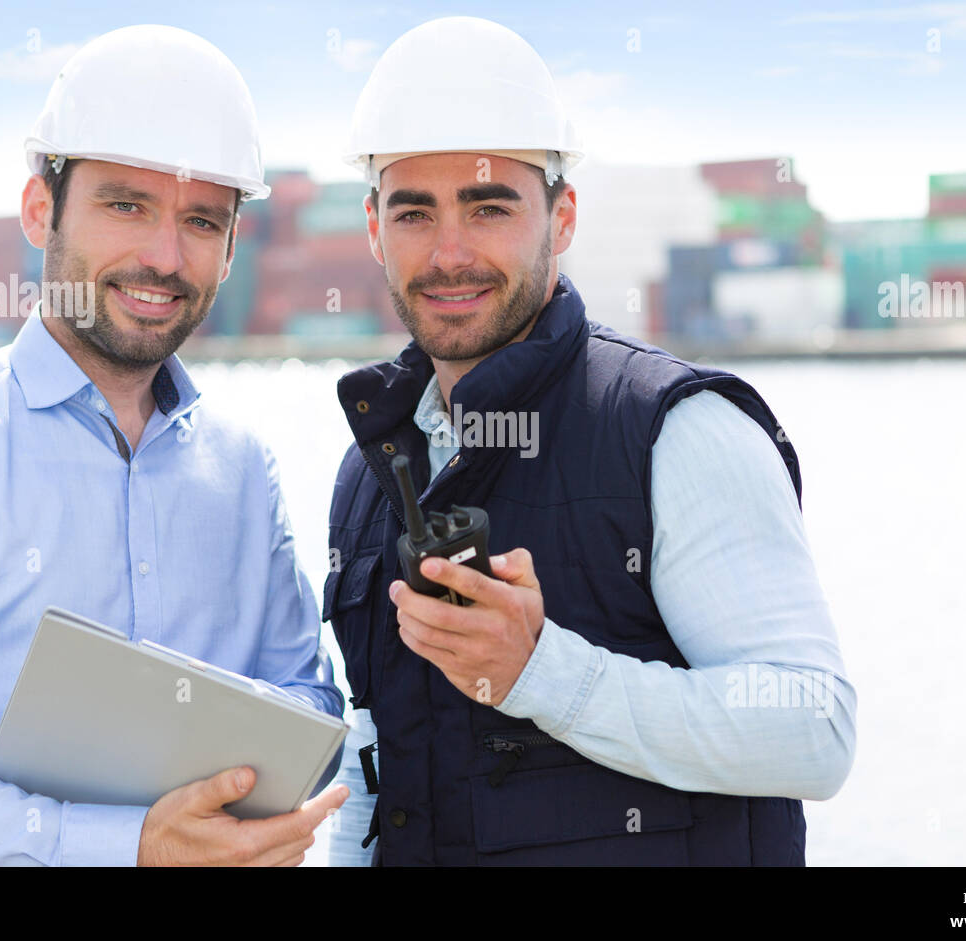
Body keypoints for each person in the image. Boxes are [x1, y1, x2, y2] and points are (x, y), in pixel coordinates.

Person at [324, 16, 856, 866]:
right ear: (375, 227)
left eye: (489, 206)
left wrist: (541, 671)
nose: (449, 252)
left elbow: (813, 727)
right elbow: (379, 767)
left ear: (561, 217)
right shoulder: (370, 471)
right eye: (415, 212)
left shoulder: (674, 430)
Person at [0, 24, 347, 866]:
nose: (163, 256)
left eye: (201, 222)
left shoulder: (244, 468)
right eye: (125, 205)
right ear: (41, 210)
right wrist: (130, 847)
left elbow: (309, 704)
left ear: (227, 252)